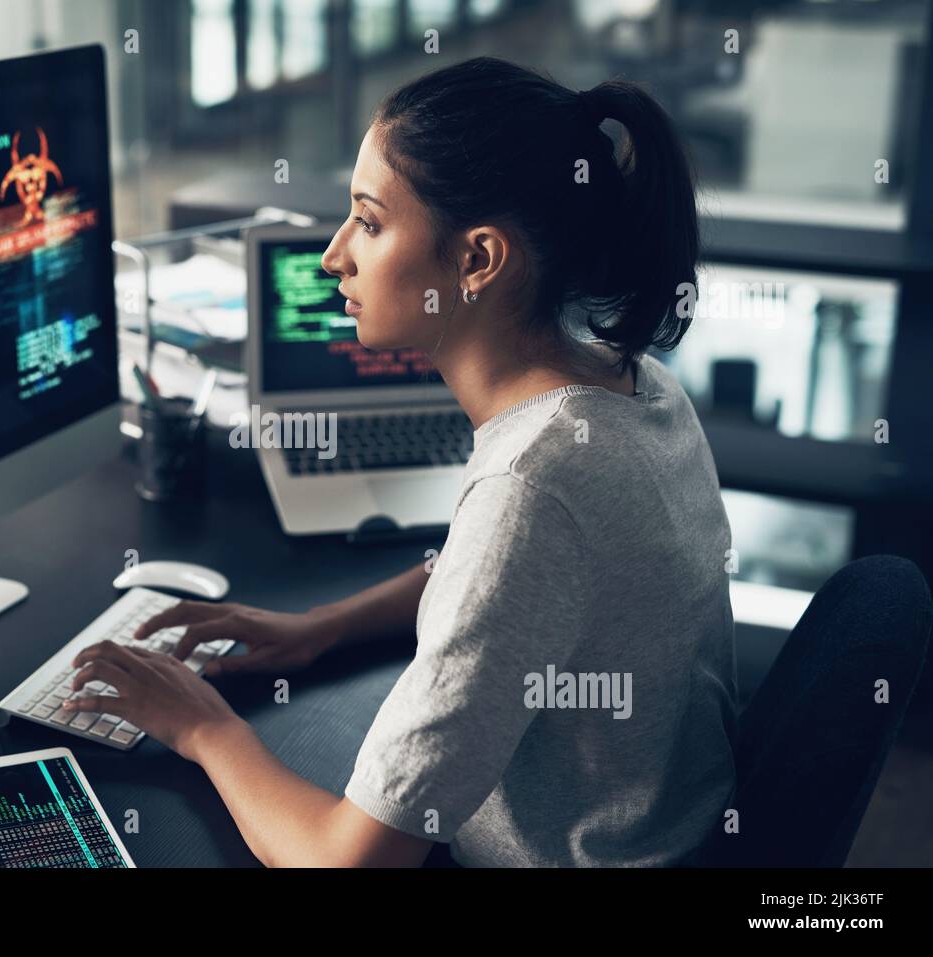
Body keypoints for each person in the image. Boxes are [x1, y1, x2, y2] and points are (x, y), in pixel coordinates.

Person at [64, 56, 738, 867]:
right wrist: (321, 628)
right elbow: (511, 584)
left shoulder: (534, 487)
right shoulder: (638, 386)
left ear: (477, 260)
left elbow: (345, 861)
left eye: (371, 222)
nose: (333, 256)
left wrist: (201, 725)